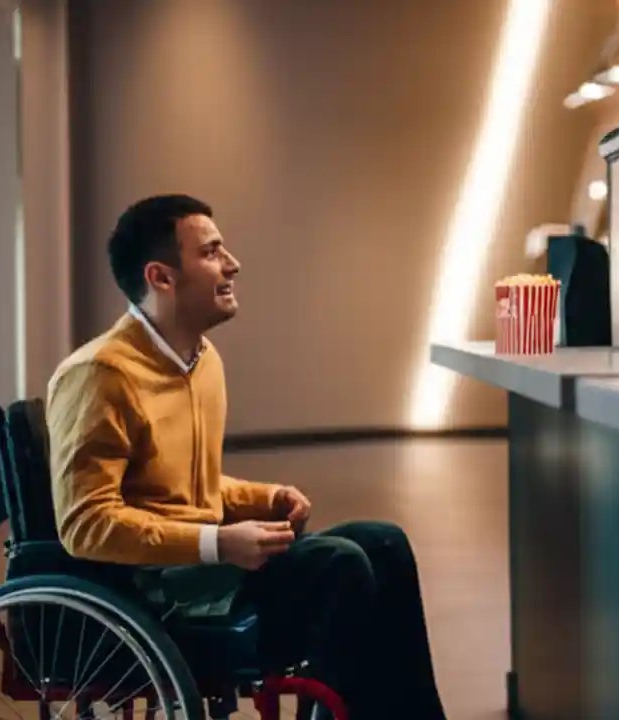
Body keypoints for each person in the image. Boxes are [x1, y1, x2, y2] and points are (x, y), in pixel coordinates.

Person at [46, 194, 447, 719]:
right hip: (154, 589)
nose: (232, 263)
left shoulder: (201, 360)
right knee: (341, 566)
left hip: (204, 568)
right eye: (211, 252)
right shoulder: (100, 375)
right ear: (162, 277)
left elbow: (188, 486)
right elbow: (87, 525)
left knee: (384, 543)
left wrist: (265, 498)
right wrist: (218, 543)